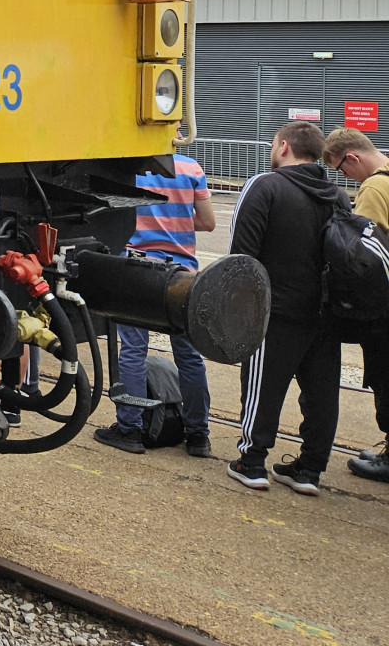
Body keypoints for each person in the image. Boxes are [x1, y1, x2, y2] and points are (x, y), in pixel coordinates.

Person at [228, 120, 345, 494]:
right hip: (326, 315)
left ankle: (252, 462)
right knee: (321, 392)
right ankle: (310, 470)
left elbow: (241, 256)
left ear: (283, 147)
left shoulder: (266, 186)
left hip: (275, 311)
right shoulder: (337, 195)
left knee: (263, 386)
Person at [94, 154, 216, 457]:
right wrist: (176, 224)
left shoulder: (130, 168)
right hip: (183, 275)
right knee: (189, 356)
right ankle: (198, 435)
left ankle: (130, 429)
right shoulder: (191, 168)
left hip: (137, 272)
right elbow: (208, 222)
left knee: (133, 352)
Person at [322, 125, 389, 482]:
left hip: (385, 307)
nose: (343, 176)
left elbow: (362, 255)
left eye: (340, 169)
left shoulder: (375, 186)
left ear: (352, 157)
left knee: (385, 374)